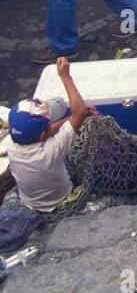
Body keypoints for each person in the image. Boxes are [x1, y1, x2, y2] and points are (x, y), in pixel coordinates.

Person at [2, 59, 91, 211]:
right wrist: (65, 77)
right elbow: (80, 112)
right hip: (59, 200)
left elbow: (46, 132)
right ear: (43, 135)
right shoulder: (51, 150)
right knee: (81, 157)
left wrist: (71, 120)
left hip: (29, 200)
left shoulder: (12, 142)